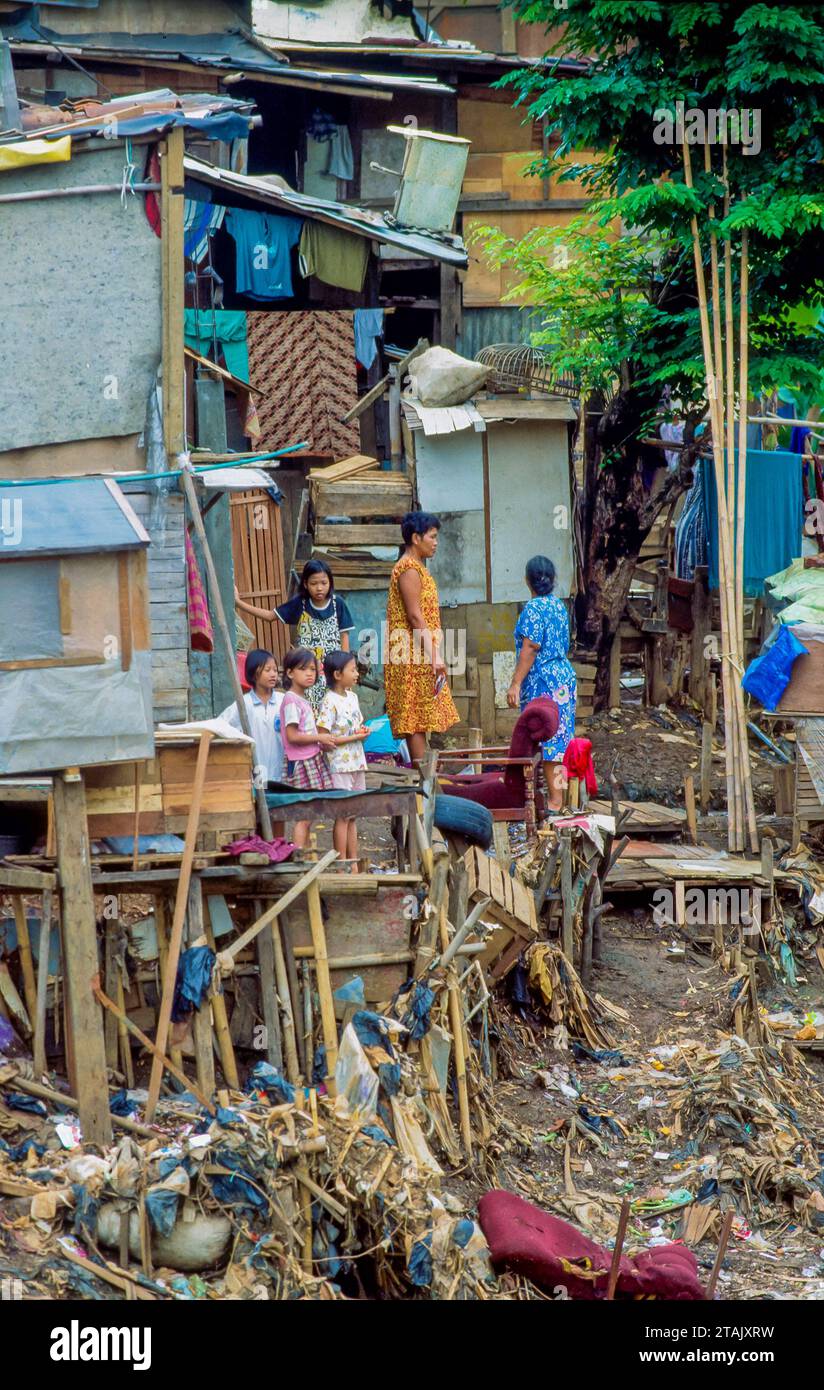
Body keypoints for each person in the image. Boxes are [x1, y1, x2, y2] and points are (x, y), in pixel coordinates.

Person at [385, 510, 459, 764]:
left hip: (418, 652)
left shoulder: (417, 568)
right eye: (432, 536)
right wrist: (435, 655)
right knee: (414, 718)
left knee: (420, 716)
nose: (436, 542)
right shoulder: (408, 569)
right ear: (416, 538)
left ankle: (429, 780)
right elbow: (415, 616)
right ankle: (427, 782)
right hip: (410, 654)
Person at [235, 559, 354, 712]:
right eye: (313, 583)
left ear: (330, 582)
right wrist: (239, 603)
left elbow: (344, 639)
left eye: (324, 583)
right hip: (306, 674)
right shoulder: (300, 603)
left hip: (332, 674)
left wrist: (345, 673)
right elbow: (270, 616)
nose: (319, 588)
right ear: (305, 584)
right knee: (307, 716)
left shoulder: (338, 604)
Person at [506, 555, 577, 812]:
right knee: (559, 742)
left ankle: (555, 802)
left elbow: (531, 646)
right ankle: (558, 799)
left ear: (528, 581)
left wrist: (515, 683)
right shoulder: (559, 606)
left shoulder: (533, 609)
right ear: (553, 579)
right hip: (564, 679)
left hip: (544, 681)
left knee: (548, 742)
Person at [317, 650, 369, 867]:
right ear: (337, 674)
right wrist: (354, 737)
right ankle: (341, 867)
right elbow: (323, 738)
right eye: (353, 669)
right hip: (339, 764)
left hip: (357, 761)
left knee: (353, 815)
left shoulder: (354, 697)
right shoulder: (329, 701)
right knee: (342, 815)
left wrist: (362, 732)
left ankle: (354, 864)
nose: (357, 673)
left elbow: (356, 728)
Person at [281, 647, 336, 847]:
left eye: (313, 669)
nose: (310, 674)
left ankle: (302, 856)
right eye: (303, 669)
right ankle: (298, 857)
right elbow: (293, 735)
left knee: (310, 814)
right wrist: (319, 739)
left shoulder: (301, 699)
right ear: (289, 673)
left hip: (311, 758)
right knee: (305, 815)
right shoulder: (291, 700)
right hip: (301, 761)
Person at [219, 648, 285, 789]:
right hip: (256, 769)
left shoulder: (283, 701)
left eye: (275, 670)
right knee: (260, 800)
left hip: (282, 770)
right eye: (267, 670)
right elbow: (221, 725)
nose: (273, 674)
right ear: (254, 673)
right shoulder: (244, 703)